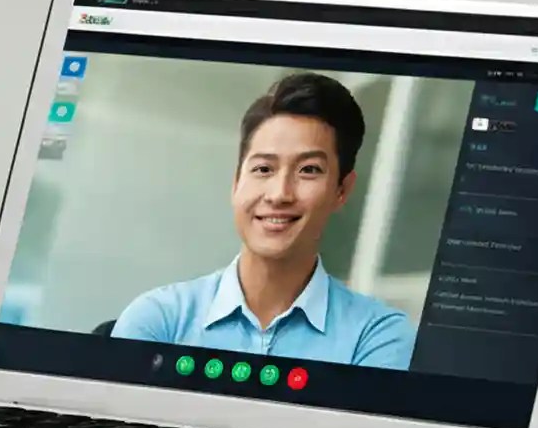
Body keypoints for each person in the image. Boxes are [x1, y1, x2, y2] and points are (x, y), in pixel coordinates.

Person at [112, 72, 416, 370]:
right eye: (263, 169)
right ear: (236, 181)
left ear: (342, 190)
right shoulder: (160, 321)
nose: (279, 194)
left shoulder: (377, 338)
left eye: (308, 170)